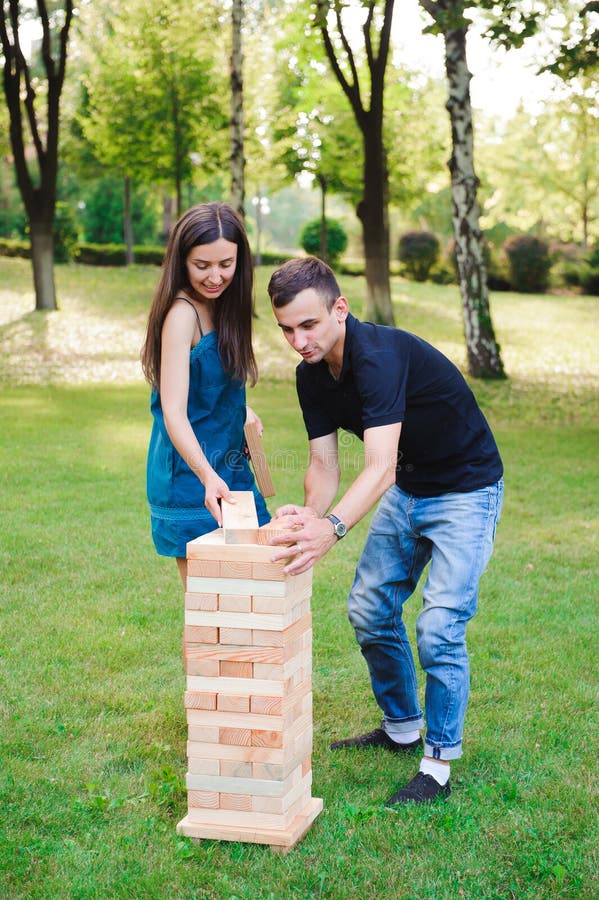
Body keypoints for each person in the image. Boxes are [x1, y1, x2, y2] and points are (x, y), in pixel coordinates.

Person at [267, 256, 503, 805]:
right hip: (411, 491)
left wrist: (332, 529)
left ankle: (438, 764)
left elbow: (380, 467)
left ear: (340, 309)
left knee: (440, 626)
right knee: (369, 609)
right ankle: (401, 728)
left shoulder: (378, 357)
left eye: (309, 324)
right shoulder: (312, 377)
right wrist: (308, 517)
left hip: (466, 490)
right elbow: (324, 467)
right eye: (287, 329)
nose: (298, 340)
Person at [141, 202, 270, 586]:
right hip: (190, 476)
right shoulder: (182, 316)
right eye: (203, 265)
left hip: (229, 468)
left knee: (249, 593)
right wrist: (207, 477)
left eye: (225, 264)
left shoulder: (226, 307)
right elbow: (174, 413)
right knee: (208, 606)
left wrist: (241, 413)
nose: (215, 276)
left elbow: (211, 385)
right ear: (182, 261)